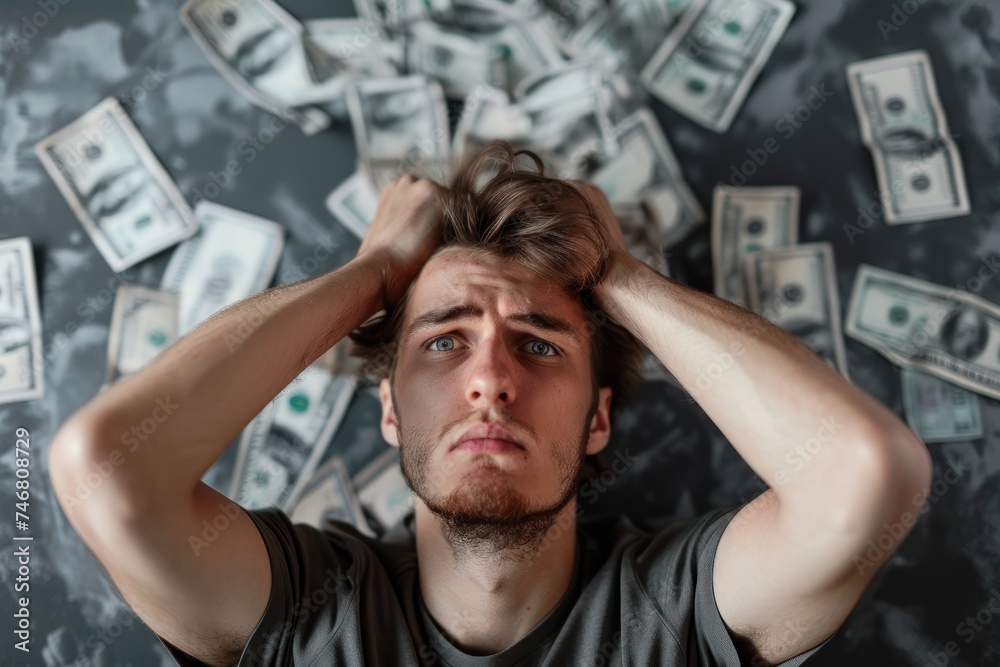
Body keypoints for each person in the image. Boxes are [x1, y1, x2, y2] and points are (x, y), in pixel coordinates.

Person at [49, 142, 933, 667]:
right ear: (391, 410)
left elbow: (869, 478)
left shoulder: (668, 614)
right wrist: (373, 275)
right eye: (444, 341)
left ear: (597, 418)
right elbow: (106, 469)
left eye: (541, 343)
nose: (489, 380)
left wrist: (615, 273)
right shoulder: (308, 611)